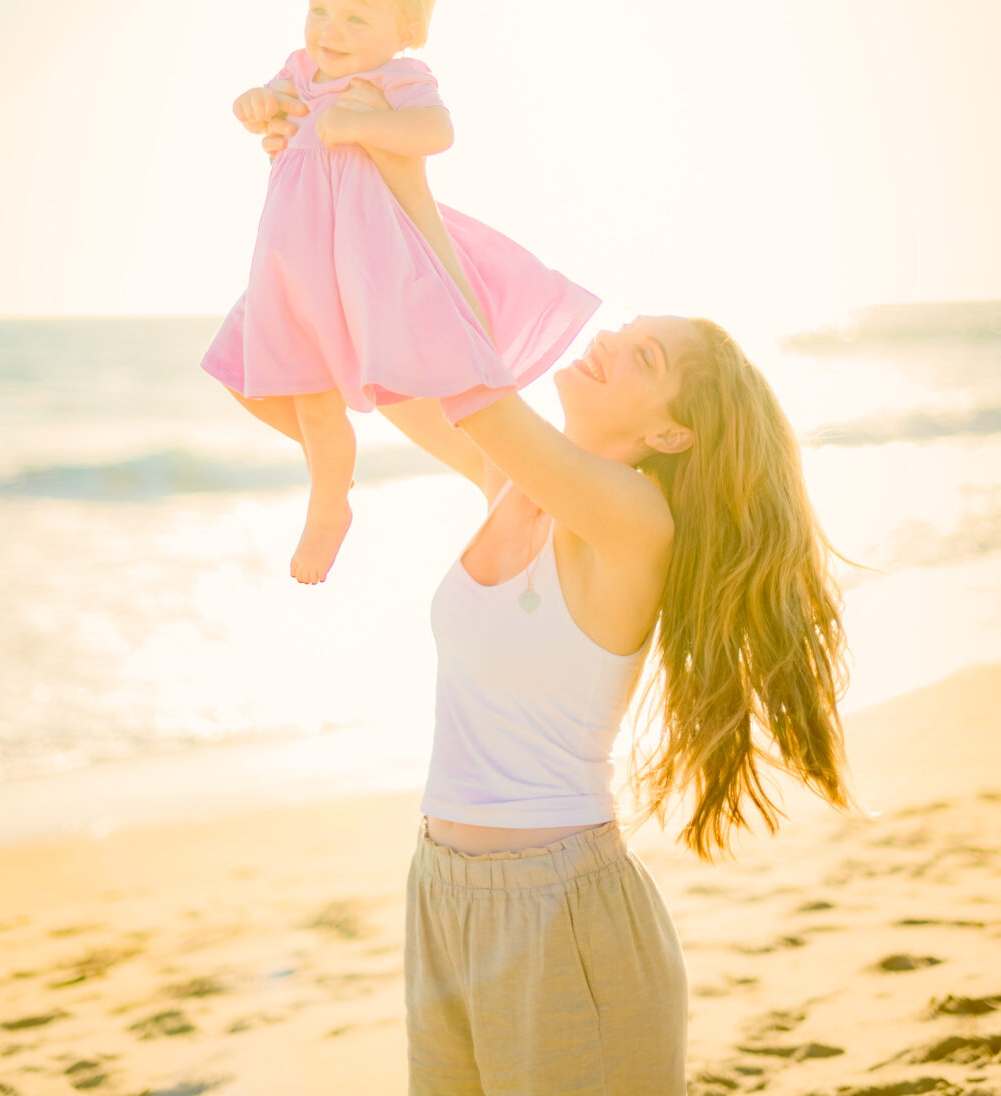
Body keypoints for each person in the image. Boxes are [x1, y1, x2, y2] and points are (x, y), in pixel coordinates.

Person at [248, 98, 853, 1094]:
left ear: (669, 435)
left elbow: (469, 380)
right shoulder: (510, 482)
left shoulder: (632, 522)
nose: (610, 340)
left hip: (561, 909)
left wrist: (399, 166)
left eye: (644, 357)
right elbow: (379, 358)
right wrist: (320, 168)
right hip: (440, 892)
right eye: (628, 330)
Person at [201, 0, 599, 585]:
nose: (330, 30)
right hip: (295, 263)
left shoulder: (396, 79)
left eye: (356, 18)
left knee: (385, 381)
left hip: (366, 260)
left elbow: (436, 131)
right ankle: (334, 470)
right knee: (273, 380)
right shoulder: (298, 72)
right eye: (320, 10)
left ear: (406, 30)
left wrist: (360, 125)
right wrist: (256, 105)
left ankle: (330, 499)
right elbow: (266, 111)